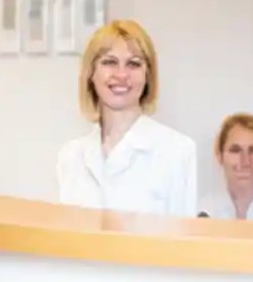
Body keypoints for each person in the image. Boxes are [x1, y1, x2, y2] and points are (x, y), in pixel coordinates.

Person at [56, 20, 197, 216]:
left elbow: (182, 243)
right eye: (109, 62)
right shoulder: (71, 156)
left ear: (148, 76)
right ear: (91, 74)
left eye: (133, 64)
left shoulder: (178, 151)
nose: (121, 74)